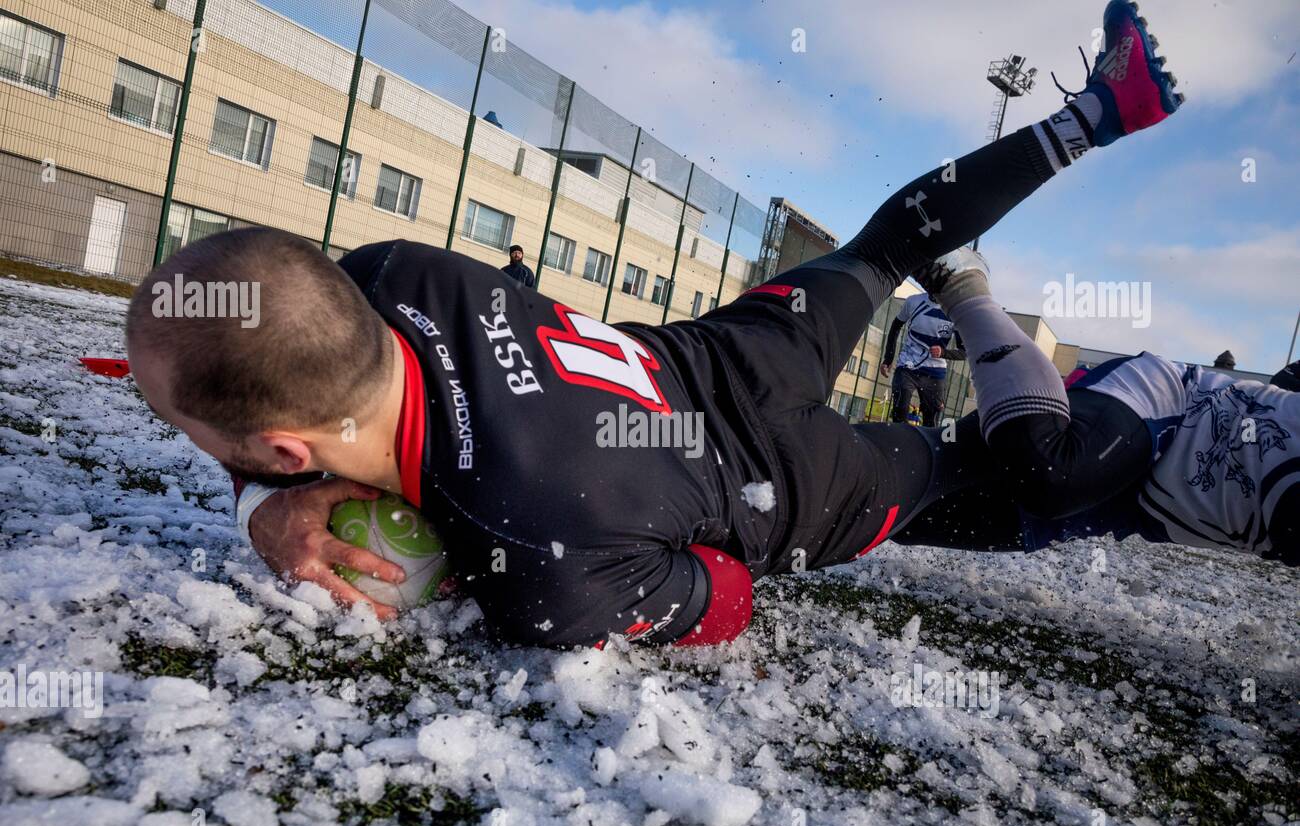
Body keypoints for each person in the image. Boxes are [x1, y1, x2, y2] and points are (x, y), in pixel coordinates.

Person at [124, 1, 1185, 649]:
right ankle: (1096, 112)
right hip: (723, 353)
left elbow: (723, 602)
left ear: (283, 451)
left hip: (786, 477)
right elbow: (288, 331)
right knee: (879, 248)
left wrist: (260, 510)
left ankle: (1156, 410)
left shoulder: (532, 561)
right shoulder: (390, 272)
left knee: (999, 477)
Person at [887, 248, 1300, 566]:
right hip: (1172, 411)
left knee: (907, 514)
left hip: (1132, 506)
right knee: (1052, 476)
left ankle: (830, 477)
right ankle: (964, 285)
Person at [880, 292, 963, 426]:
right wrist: (888, 358)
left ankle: (931, 445)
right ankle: (900, 444)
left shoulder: (956, 311)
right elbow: (895, 326)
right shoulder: (913, 301)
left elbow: (964, 352)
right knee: (899, 412)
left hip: (935, 373)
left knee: (931, 423)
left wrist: (944, 353)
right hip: (908, 366)